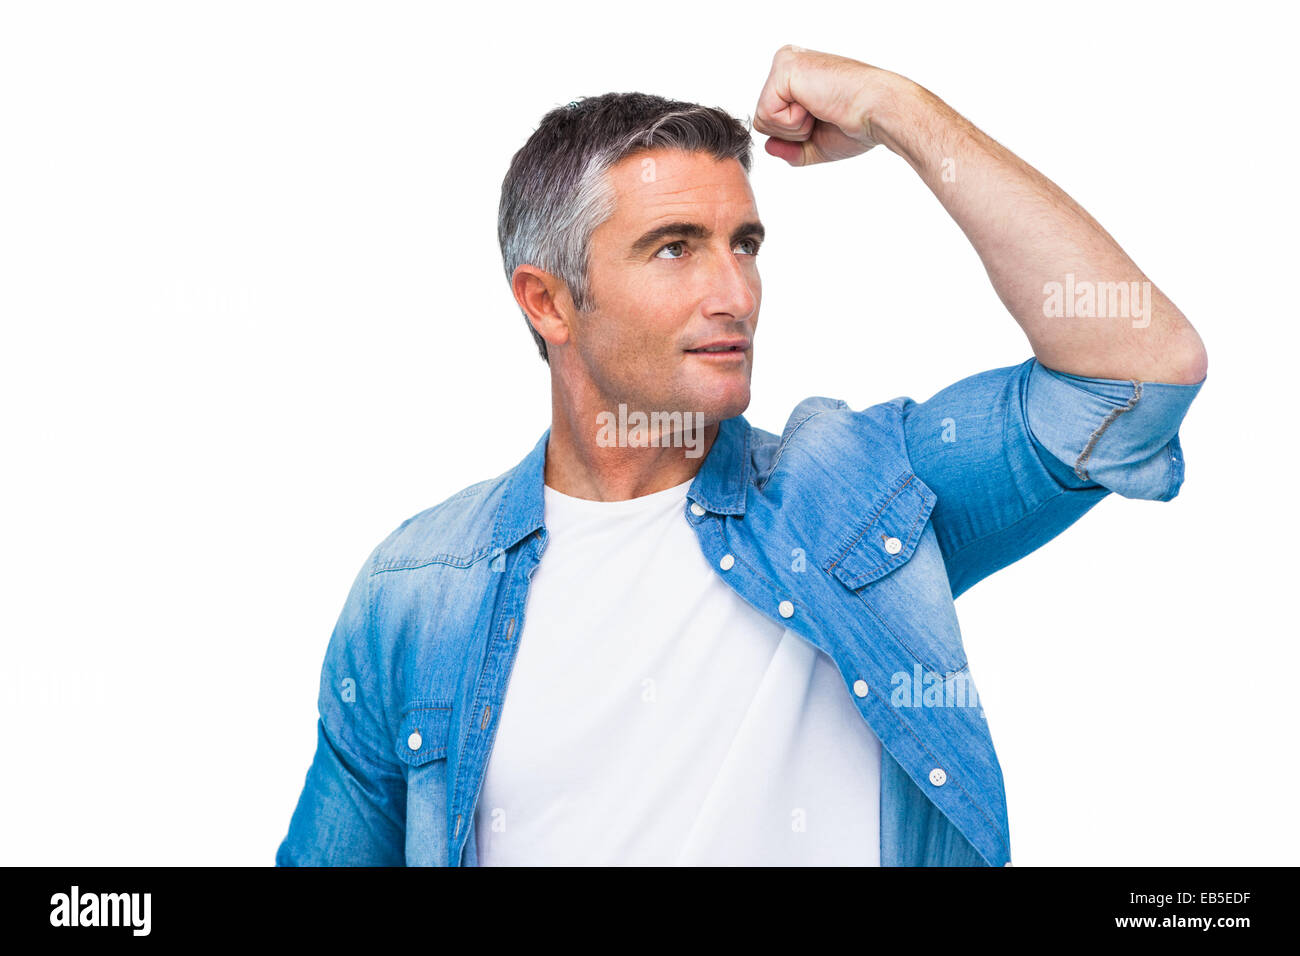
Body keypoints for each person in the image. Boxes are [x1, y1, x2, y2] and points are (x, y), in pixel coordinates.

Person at [276, 45, 1207, 866]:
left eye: (745, 245)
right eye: (674, 248)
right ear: (548, 302)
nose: (736, 292)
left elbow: (1136, 373)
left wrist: (902, 111)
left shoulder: (856, 495)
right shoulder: (417, 590)